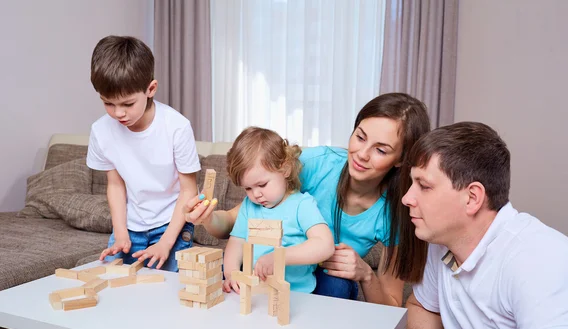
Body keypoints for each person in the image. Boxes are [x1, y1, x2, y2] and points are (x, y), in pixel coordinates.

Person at [185, 93, 431, 305]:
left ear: (401, 159)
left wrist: (366, 274)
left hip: (317, 278)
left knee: (337, 284)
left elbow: (390, 303)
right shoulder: (315, 164)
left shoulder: (396, 211)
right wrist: (207, 218)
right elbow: (233, 223)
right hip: (265, 270)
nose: (361, 154)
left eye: (380, 150)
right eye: (360, 137)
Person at [403, 122, 568, 329]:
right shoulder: (442, 242)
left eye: (424, 186)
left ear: (472, 198)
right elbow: (422, 305)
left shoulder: (540, 260)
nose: (407, 198)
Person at [86, 35, 201, 271]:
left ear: (150, 89)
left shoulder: (176, 127)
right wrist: (120, 234)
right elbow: (115, 186)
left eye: (128, 104)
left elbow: (189, 191)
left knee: (168, 291)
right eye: (108, 103)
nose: (118, 113)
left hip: (172, 226)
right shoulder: (101, 131)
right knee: (114, 284)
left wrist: (166, 244)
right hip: (131, 225)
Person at [222, 127, 335, 293]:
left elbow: (325, 245)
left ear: (285, 169)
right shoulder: (249, 205)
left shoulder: (302, 205)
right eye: (248, 188)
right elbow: (236, 242)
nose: (256, 194)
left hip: (297, 294)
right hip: (256, 293)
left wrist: (279, 257)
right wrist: (231, 273)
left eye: (262, 185)